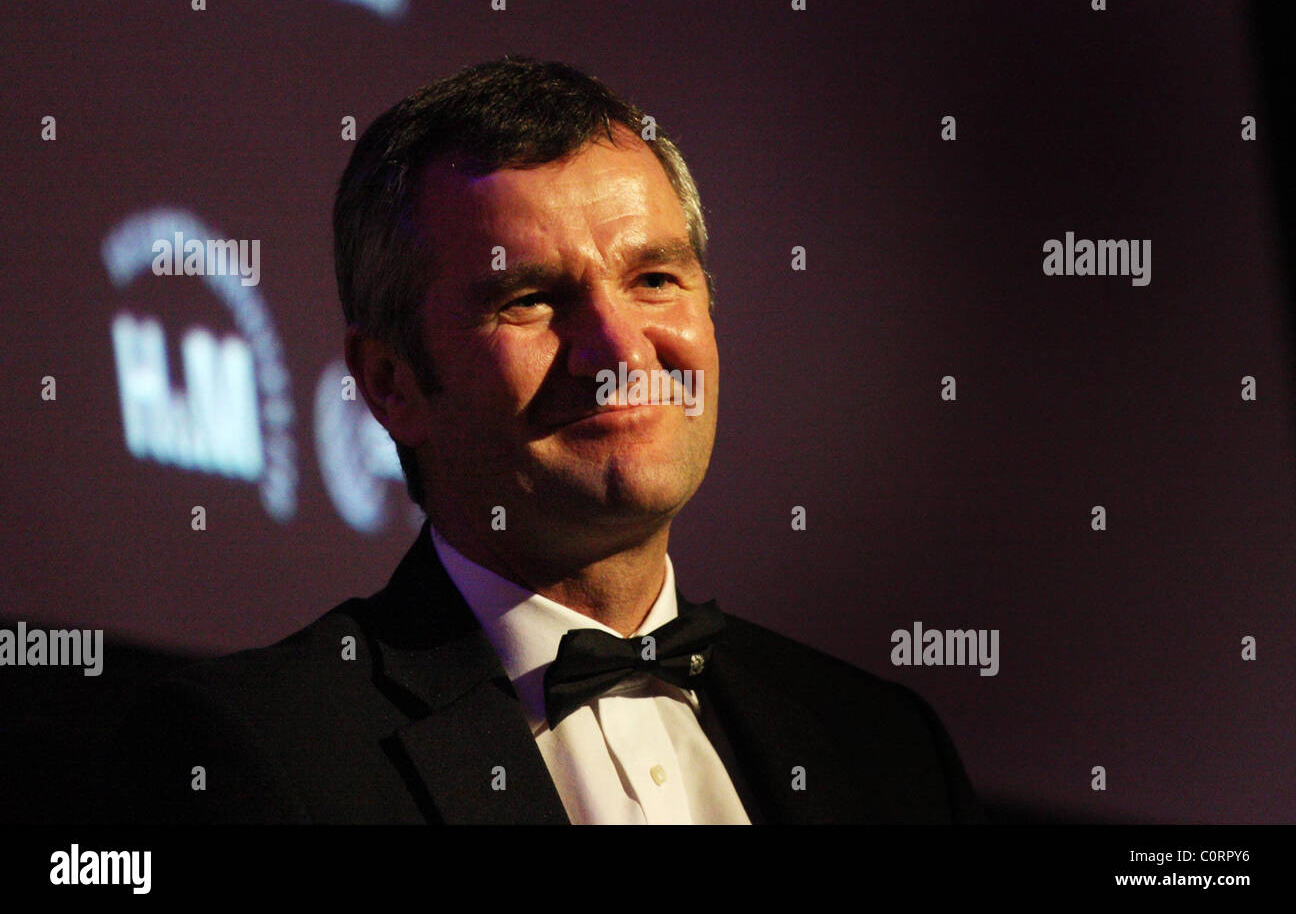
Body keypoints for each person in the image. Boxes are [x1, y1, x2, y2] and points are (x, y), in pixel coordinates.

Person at [107, 56, 982, 824]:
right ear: (390, 383)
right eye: (528, 299)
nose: (618, 349)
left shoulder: (887, 753)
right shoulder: (259, 753)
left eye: (655, 278)